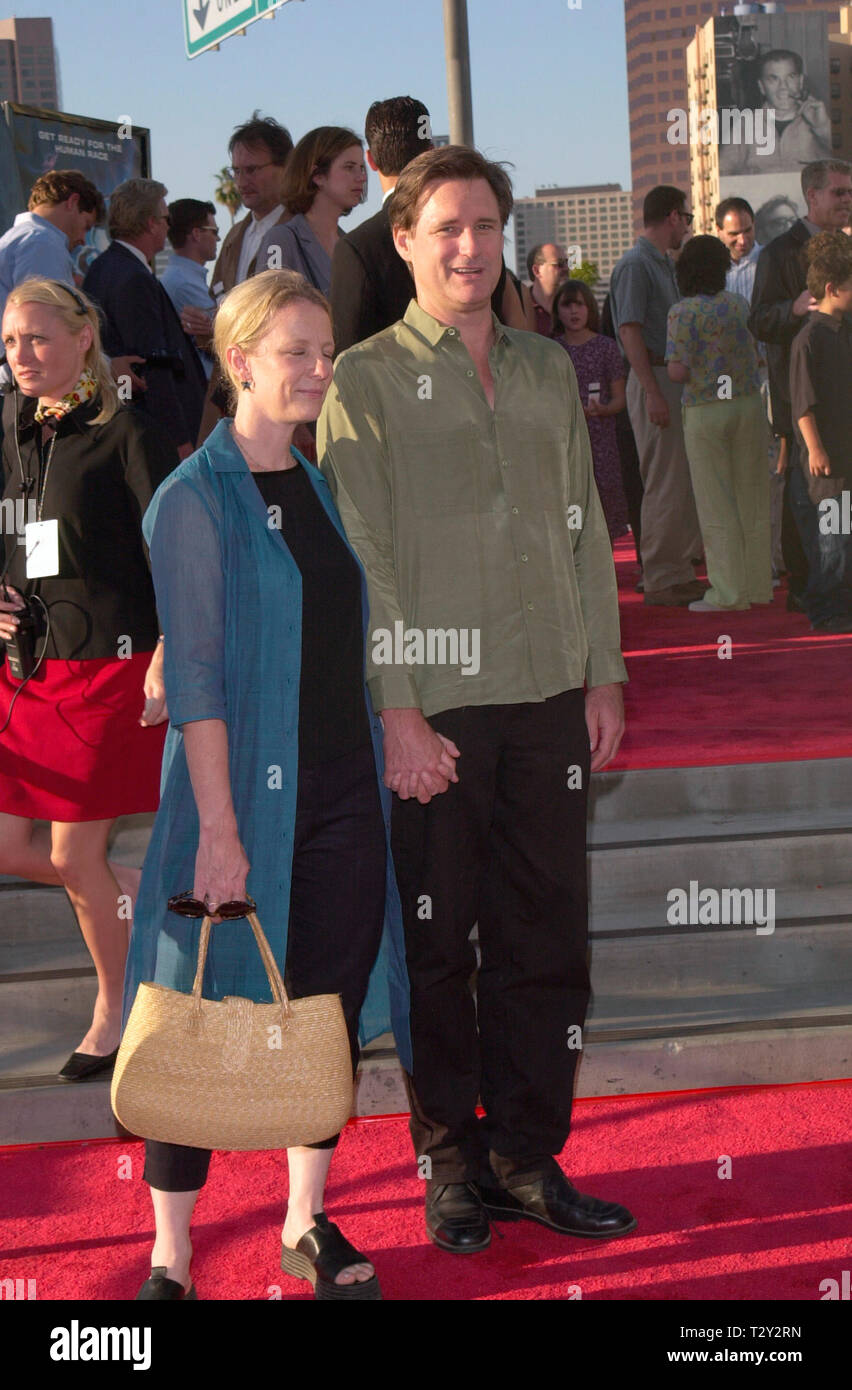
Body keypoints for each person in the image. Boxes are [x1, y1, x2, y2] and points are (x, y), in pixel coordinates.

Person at [319, 146, 635, 1256]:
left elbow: (587, 530)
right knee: (440, 942)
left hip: (551, 688)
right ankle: (450, 1163)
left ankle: (527, 1156)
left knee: (548, 935)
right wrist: (398, 708)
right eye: (445, 226)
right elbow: (369, 557)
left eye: (486, 226)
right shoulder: (362, 379)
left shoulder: (548, 369)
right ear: (403, 239)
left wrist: (605, 669)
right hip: (439, 707)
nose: (469, 247)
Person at [124, 269, 410, 1302]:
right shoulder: (193, 497)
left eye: (326, 351)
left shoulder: (315, 478)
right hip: (237, 790)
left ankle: (304, 1220)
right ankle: (171, 1252)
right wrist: (219, 828)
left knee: (321, 1007)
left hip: (341, 789)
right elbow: (195, 674)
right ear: (239, 361)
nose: (321, 369)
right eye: (299, 351)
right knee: (196, 1003)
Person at [0, 278, 176, 1080]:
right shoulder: (11, 433)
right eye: (9, 343)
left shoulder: (126, 431)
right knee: (14, 846)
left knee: (74, 858)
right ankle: (149, 891)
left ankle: (115, 1012)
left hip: (110, 665)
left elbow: (172, 548)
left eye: (37, 338)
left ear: (83, 339)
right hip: (27, 670)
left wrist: (174, 647)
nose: (22, 356)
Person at [749, 160, 852, 625]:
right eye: (838, 192)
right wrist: (791, 309)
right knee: (808, 500)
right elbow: (759, 321)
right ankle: (811, 595)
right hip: (802, 401)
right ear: (812, 196)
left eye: (849, 192)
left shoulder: (848, 246)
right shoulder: (778, 253)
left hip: (842, 399)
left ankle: (831, 594)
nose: (847, 199)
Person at [665, 236, 771, 612]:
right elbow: (757, 355)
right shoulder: (739, 305)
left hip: (706, 409)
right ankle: (759, 585)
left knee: (716, 503)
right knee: (752, 498)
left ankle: (728, 593)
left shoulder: (683, 312)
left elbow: (677, 370)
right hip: (746, 404)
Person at [609, 185, 703, 606]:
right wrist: (651, 391)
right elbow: (628, 329)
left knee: (676, 480)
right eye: (687, 216)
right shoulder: (636, 266)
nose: (688, 224)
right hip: (654, 377)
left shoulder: (661, 264)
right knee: (664, 481)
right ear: (671, 216)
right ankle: (662, 576)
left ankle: (676, 570)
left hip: (666, 378)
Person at [83, 179, 207, 459]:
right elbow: (152, 364)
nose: (168, 226)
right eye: (165, 218)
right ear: (151, 223)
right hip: (149, 435)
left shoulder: (102, 268)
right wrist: (179, 440)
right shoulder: (133, 278)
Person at [193, 113, 293, 444]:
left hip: (282, 398)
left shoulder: (303, 231)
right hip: (230, 398)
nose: (241, 180)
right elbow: (219, 300)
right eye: (237, 171)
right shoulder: (236, 234)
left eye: (252, 170)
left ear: (284, 169)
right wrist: (206, 325)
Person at [329, 96, 431, 354]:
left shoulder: (357, 248)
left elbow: (346, 356)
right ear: (430, 151)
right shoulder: (477, 233)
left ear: (370, 160)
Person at [789, 231, 852, 633]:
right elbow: (803, 405)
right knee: (830, 542)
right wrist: (815, 449)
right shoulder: (809, 339)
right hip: (826, 468)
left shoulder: (842, 332)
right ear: (832, 289)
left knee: (843, 538)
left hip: (845, 458)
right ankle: (824, 609)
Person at [552, 279, 629, 542]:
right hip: (564, 442)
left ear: (590, 309)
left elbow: (621, 398)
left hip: (602, 441)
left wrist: (603, 409)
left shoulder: (606, 347)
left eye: (580, 305)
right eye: (567, 305)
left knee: (605, 506)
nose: (574, 312)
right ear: (557, 311)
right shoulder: (551, 350)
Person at [256, 128, 367, 295]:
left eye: (361, 167)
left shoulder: (352, 245)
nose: (361, 177)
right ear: (317, 175)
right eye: (349, 167)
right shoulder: (280, 239)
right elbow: (267, 307)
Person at [0, 170, 104, 319]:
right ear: (73, 202)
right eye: (86, 226)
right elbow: (45, 320)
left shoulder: (17, 239)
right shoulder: (43, 242)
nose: (84, 240)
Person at [723, 49, 831, 175]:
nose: (783, 87)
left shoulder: (820, 119)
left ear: (801, 82)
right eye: (773, 79)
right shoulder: (744, 125)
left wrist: (823, 127)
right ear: (762, 87)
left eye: (790, 77)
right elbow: (721, 171)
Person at [160, 200, 219, 380]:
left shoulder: (182, 277)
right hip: (200, 387)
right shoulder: (184, 283)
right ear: (196, 234)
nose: (218, 238)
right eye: (214, 232)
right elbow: (222, 335)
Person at [716, 197, 761, 303]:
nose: (742, 241)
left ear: (753, 224)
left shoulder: (772, 262)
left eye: (747, 231)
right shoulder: (712, 269)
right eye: (734, 234)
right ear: (719, 230)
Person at [527, 242, 569, 335]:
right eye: (559, 264)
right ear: (537, 270)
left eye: (567, 263)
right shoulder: (519, 309)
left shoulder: (575, 306)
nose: (566, 268)